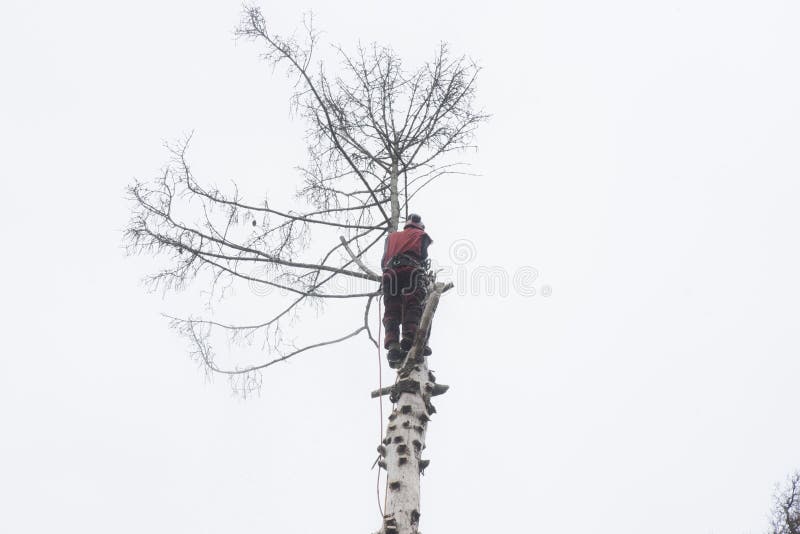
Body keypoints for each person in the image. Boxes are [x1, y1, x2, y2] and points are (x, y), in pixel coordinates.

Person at [380, 214, 433, 368]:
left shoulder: (390, 237)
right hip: (411, 270)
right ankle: (409, 338)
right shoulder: (422, 235)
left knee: (392, 310)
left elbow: (383, 261)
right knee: (413, 303)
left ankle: (393, 346)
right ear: (420, 225)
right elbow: (423, 256)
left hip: (390, 272)